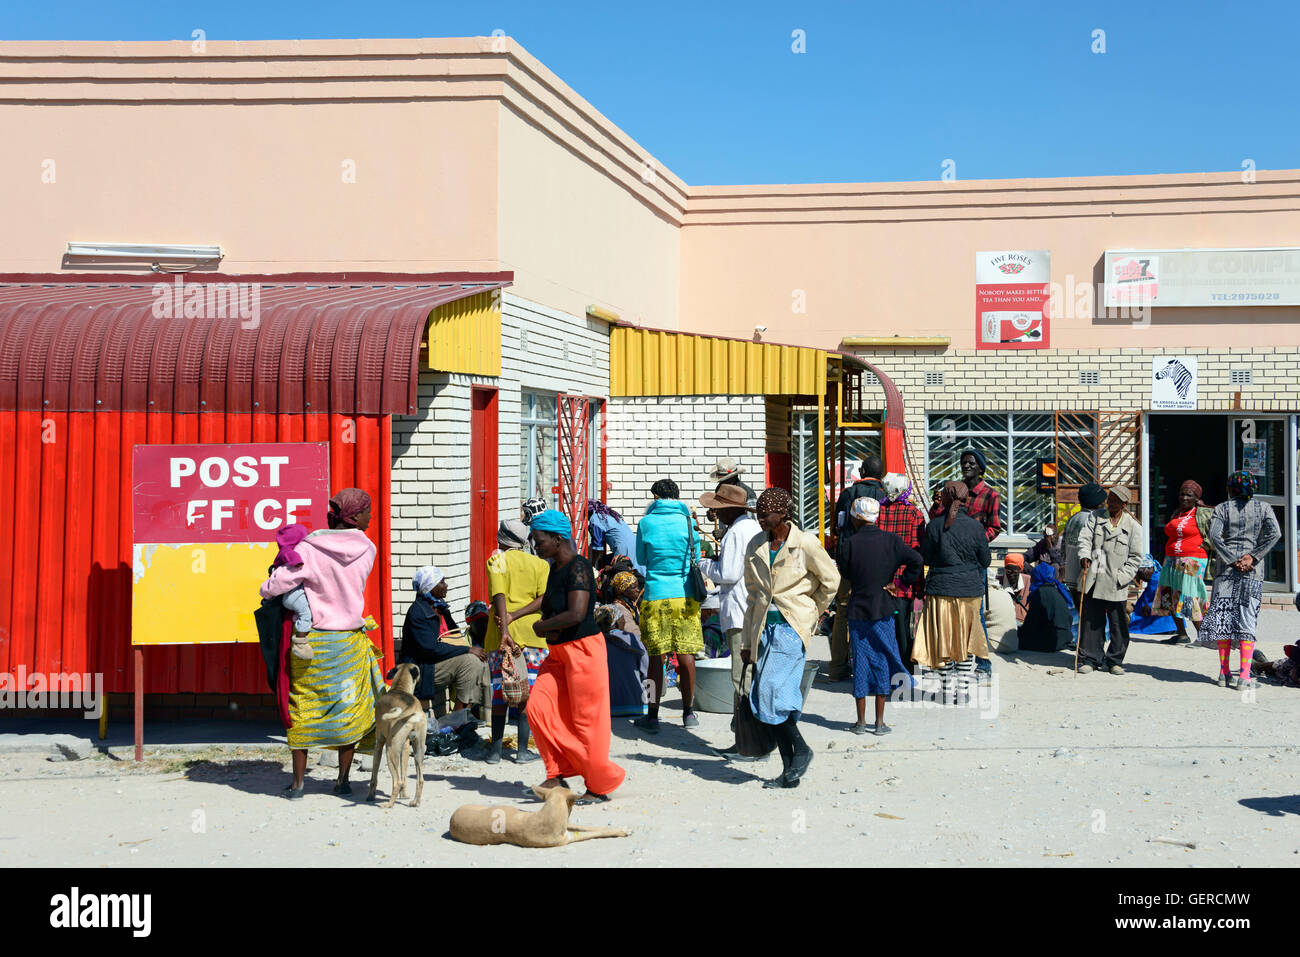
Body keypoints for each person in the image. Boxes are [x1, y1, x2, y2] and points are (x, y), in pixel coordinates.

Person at [259, 488, 384, 800]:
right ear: (354, 517)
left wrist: (270, 583)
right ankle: (342, 781)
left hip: (311, 645)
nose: (371, 517)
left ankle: (298, 784)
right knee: (348, 710)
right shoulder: (368, 549)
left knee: (303, 707)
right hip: (348, 645)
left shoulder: (309, 547)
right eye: (368, 511)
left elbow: (275, 587)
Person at [519, 509, 625, 803]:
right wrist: (518, 613)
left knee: (586, 721)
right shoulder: (556, 566)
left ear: (556, 538)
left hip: (583, 652)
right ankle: (557, 774)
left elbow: (576, 613)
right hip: (558, 654)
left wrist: (542, 626)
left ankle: (597, 783)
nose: (534, 546)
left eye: (538, 540)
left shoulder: (579, 566)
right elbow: (550, 598)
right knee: (538, 708)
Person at [741, 487, 839, 789]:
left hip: (790, 628)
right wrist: (747, 642)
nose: (760, 518)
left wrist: (812, 613)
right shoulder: (756, 545)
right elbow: (753, 595)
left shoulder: (805, 543)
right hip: (763, 630)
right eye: (757, 513)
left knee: (770, 690)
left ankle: (803, 750)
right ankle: (789, 770)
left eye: (765, 513)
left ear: (783, 513)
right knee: (772, 696)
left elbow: (831, 581)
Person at [840, 496, 921, 735]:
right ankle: (880, 722)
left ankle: (860, 722)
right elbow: (916, 560)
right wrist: (900, 583)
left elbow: (845, 572)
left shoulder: (849, 544)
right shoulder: (892, 541)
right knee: (882, 662)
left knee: (861, 662)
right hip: (884, 608)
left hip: (858, 611)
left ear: (857, 517)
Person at [695, 482, 762, 759]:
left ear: (731, 510)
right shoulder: (750, 528)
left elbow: (729, 573)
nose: (716, 515)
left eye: (719, 510)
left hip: (738, 611)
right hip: (749, 608)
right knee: (747, 675)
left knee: (741, 678)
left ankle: (749, 743)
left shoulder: (737, 531)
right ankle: (746, 738)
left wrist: (703, 564)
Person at [1197, 471, 1281, 691]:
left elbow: (1214, 537)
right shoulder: (1264, 508)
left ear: (1229, 489)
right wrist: (1253, 556)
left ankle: (1224, 673)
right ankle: (1244, 676)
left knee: (1223, 621)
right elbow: (1275, 534)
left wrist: (1232, 559)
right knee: (1247, 621)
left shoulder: (1221, 509)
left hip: (1225, 571)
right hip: (1252, 572)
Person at [633, 479, 704, 732]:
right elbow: (697, 552)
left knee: (655, 658)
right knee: (686, 656)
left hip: (655, 595)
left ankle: (651, 717)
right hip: (684, 596)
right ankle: (689, 713)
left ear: (655, 497)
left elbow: (641, 558)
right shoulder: (688, 521)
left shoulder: (646, 523)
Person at [913, 481, 992, 699]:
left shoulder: (935, 526)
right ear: (967, 499)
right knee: (965, 642)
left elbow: (927, 557)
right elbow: (985, 560)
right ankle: (964, 691)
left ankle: (947, 692)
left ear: (946, 499)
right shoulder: (977, 527)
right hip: (969, 592)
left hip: (940, 591)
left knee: (944, 642)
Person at [482, 519, 551, 764]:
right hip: (533, 635)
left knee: (500, 692)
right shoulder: (540, 565)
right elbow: (544, 598)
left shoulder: (497, 560)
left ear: (502, 539)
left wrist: (505, 625)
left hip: (501, 635)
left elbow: (498, 593)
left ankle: (495, 752)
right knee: (526, 694)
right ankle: (522, 752)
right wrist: (518, 615)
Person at [828, 454, 889, 681]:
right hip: (876, 567)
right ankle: (869, 666)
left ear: (862, 472)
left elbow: (837, 526)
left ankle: (836, 668)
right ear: (881, 474)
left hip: (848, 563)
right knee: (873, 614)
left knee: (842, 613)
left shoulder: (848, 494)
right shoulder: (885, 496)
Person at [400, 566, 492, 715]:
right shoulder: (417, 612)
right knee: (470, 661)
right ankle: (458, 719)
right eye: (441, 582)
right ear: (430, 587)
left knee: (480, 659)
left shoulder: (440, 608)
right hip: (423, 668)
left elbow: (453, 636)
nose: (446, 585)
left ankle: (477, 713)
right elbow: (430, 649)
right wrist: (467, 649)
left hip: (438, 662)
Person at [1077, 484, 1145, 676]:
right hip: (1095, 575)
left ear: (1124, 504)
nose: (1111, 503)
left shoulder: (1133, 527)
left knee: (1117, 623)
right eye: (1110, 499)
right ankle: (1090, 659)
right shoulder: (1096, 517)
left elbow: (1136, 557)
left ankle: (1115, 660)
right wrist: (1084, 555)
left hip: (1116, 580)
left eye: (1115, 501)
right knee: (1092, 620)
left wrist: (1121, 577)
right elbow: (1085, 539)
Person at [1154, 479, 1214, 646]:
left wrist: (1208, 544)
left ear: (1196, 498)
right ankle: (1181, 634)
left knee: (1189, 595)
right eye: (1182, 494)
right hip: (1172, 558)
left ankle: (1203, 636)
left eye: (1189, 495)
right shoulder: (1178, 513)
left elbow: (1216, 531)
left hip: (1192, 559)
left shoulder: (1202, 513)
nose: (1184, 497)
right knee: (1169, 594)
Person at [878, 472, 927, 667]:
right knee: (903, 626)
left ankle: (886, 665)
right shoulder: (915, 514)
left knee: (884, 625)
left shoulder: (878, 511)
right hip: (905, 580)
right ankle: (905, 667)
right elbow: (920, 550)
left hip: (882, 579)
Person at [595, 570, 650, 718]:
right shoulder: (630, 638)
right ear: (618, 621)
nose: (638, 590)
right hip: (636, 706)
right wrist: (652, 703)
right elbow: (647, 671)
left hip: (607, 708)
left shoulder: (596, 644)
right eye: (634, 587)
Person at [270, 523, 314, 660]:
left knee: (302, 612)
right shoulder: (287, 551)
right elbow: (291, 555)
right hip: (292, 594)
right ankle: (300, 642)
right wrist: (298, 561)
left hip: (293, 594)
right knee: (306, 613)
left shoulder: (282, 552)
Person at [1062, 483, 1108, 607]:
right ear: (1097, 504)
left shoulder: (1073, 519)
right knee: (1091, 615)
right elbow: (1099, 550)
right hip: (1087, 577)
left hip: (1071, 575)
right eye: (1104, 501)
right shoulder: (1093, 521)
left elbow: (1063, 548)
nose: (1105, 504)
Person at [1017, 562, 1075, 652]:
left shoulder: (1039, 593)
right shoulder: (1057, 590)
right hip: (1065, 638)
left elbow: (1032, 623)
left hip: (1051, 641)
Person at [587, 499, 640, 572]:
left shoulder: (595, 518)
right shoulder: (609, 514)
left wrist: (592, 565)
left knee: (621, 572)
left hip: (623, 548)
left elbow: (597, 547)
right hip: (635, 545)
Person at [1001, 552, 1030, 623]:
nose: (1011, 575)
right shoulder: (998, 583)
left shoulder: (1028, 581)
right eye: (1008, 572)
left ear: (1021, 570)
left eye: (1015, 572)